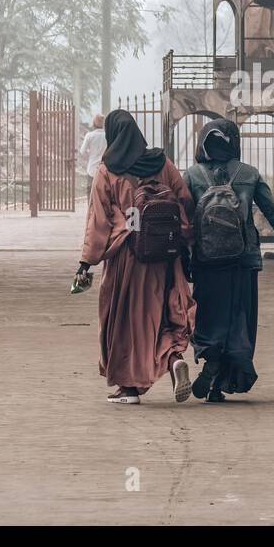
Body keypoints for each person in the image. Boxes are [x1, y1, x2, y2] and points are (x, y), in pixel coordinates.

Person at [78, 109, 196, 405]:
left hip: (128, 257)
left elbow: (99, 220)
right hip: (165, 256)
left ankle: (128, 388)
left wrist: (86, 262)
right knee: (162, 314)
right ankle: (174, 361)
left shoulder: (109, 169)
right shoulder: (162, 162)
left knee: (124, 320)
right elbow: (185, 203)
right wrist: (185, 242)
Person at [184, 118, 274, 402]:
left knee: (208, 314)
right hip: (242, 259)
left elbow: (183, 220)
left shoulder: (193, 175)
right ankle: (221, 379)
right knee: (239, 317)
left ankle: (211, 359)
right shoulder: (249, 173)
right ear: (235, 141)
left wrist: (183, 257)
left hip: (206, 261)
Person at [78, 114, 107, 201]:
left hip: (92, 168)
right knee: (103, 192)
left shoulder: (89, 135)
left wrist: (89, 155)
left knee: (90, 191)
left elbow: (82, 151)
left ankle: (91, 211)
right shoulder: (107, 135)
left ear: (94, 123)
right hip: (104, 168)